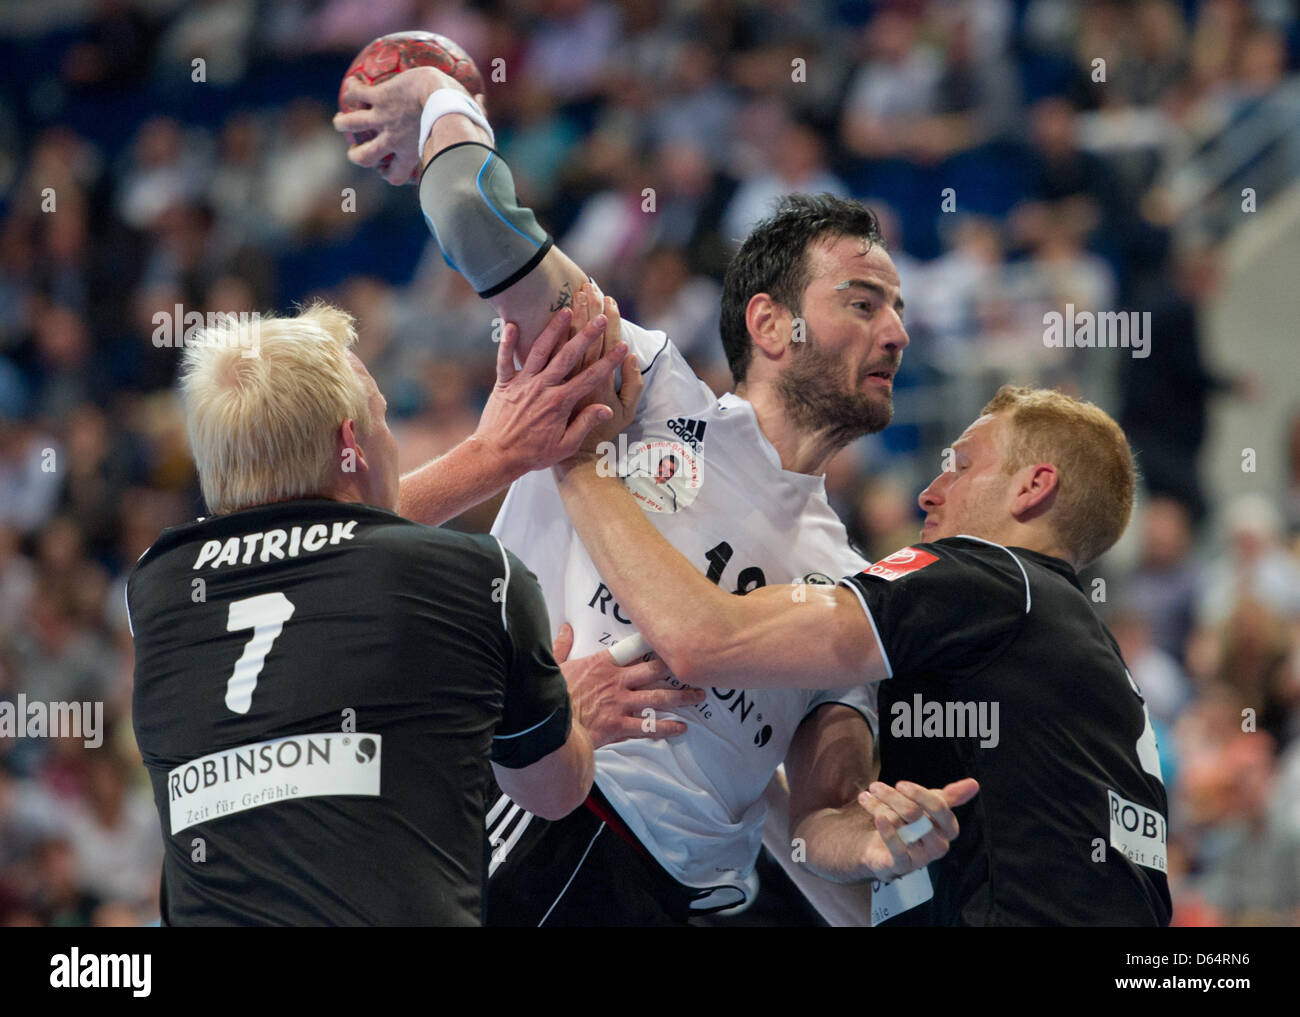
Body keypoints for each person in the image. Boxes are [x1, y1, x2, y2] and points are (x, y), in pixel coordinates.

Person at [335, 73, 974, 926]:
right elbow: (470, 214)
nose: (895, 330)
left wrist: (870, 839)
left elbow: (824, 810)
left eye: (897, 309)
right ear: (769, 323)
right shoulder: (643, 380)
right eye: (862, 302)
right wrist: (445, 102)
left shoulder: (847, 584)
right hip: (515, 808)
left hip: (669, 899)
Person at [553, 382, 1173, 926]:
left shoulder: (988, 577)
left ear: (1032, 487)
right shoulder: (1061, 651)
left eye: (960, 466)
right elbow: (823, 828)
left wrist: (581, 462)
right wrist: (870, 844)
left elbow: (701, 640)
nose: (930, 492)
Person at [129, 302, 626, 925]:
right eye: (382, 421)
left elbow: (313, 549)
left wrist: (492, 456)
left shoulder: (155, 587)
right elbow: (550, 793)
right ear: (350, 444)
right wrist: (576, 715)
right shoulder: (481, 579)